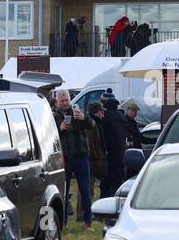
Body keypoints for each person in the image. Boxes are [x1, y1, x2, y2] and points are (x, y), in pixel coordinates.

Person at [54, 89, 94, 228]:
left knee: (85, 190)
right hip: (64, 158)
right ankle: (63, 223)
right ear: (58, 102)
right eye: (62, 101)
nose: (65, 103)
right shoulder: (54, 116)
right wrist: (59, 128)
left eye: (66, 100)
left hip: (81, 156)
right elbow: (50, 135)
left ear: (70, 100)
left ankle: (88, 222)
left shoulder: (77, 111)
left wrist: (84, 118)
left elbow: (92, 125)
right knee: (63, 191)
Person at [99, 92, 128, 197]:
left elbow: (102, 136)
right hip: (121, 159)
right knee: (118, 189)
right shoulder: (122, 116)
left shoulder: (105, 117)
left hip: (108, 159)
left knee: (106, 189)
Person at [86, 101, 106, 187]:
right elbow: (91, 143)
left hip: (94, 161)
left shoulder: (97, 123)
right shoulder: (92, 124)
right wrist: (97, 158)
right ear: (97, 112)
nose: (103, 115)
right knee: (88, 188)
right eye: (102, 113)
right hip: (92, 162)